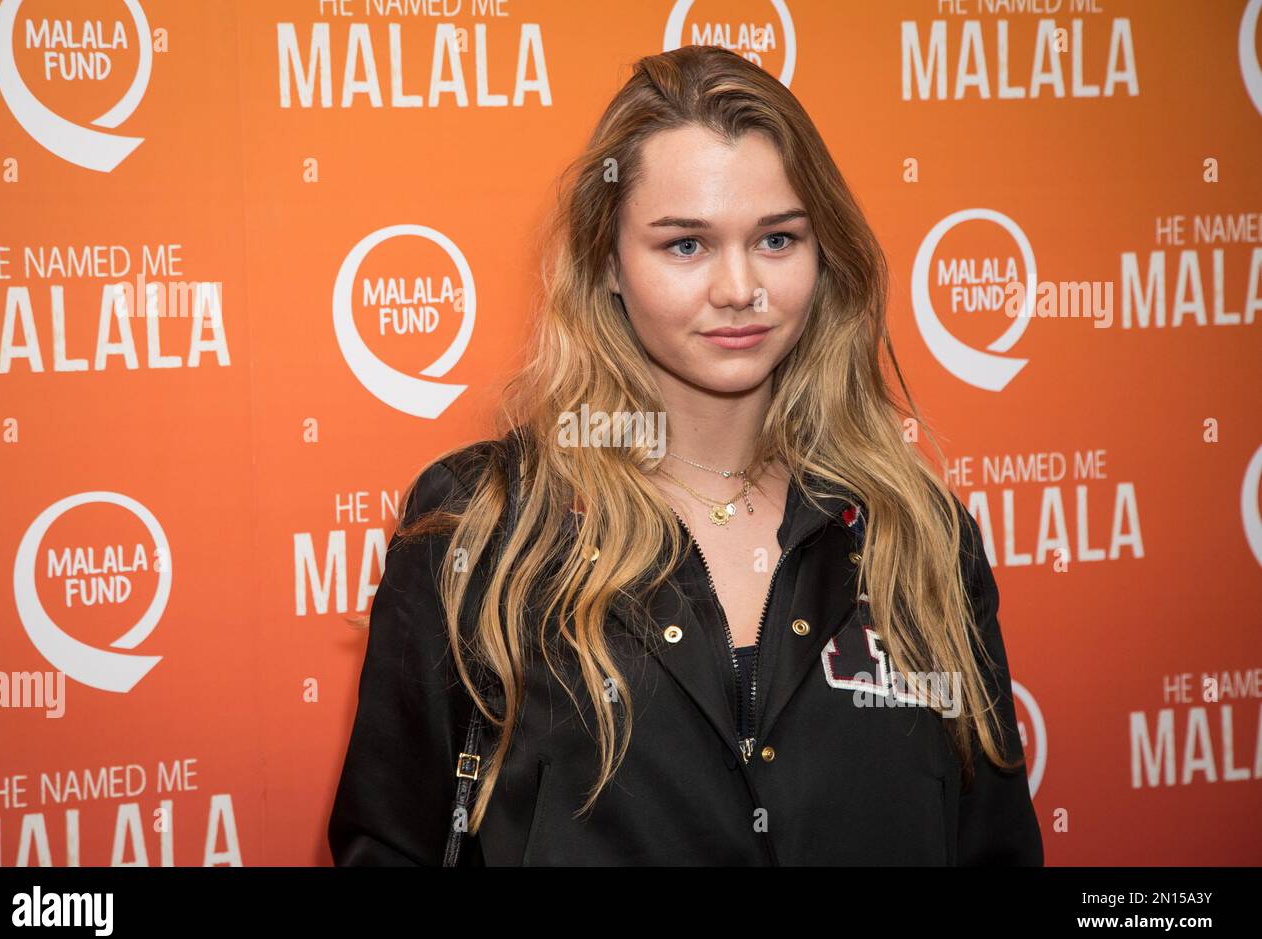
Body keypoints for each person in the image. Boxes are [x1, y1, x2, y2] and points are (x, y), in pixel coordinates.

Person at [328, 45, 1044, 866]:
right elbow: (389, 848)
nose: (740, 288)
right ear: (607, 262)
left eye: (777, 239)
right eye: (686, 246)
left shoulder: (918, 535)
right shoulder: (488, 526)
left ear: (824, 254)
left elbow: (995, 848)